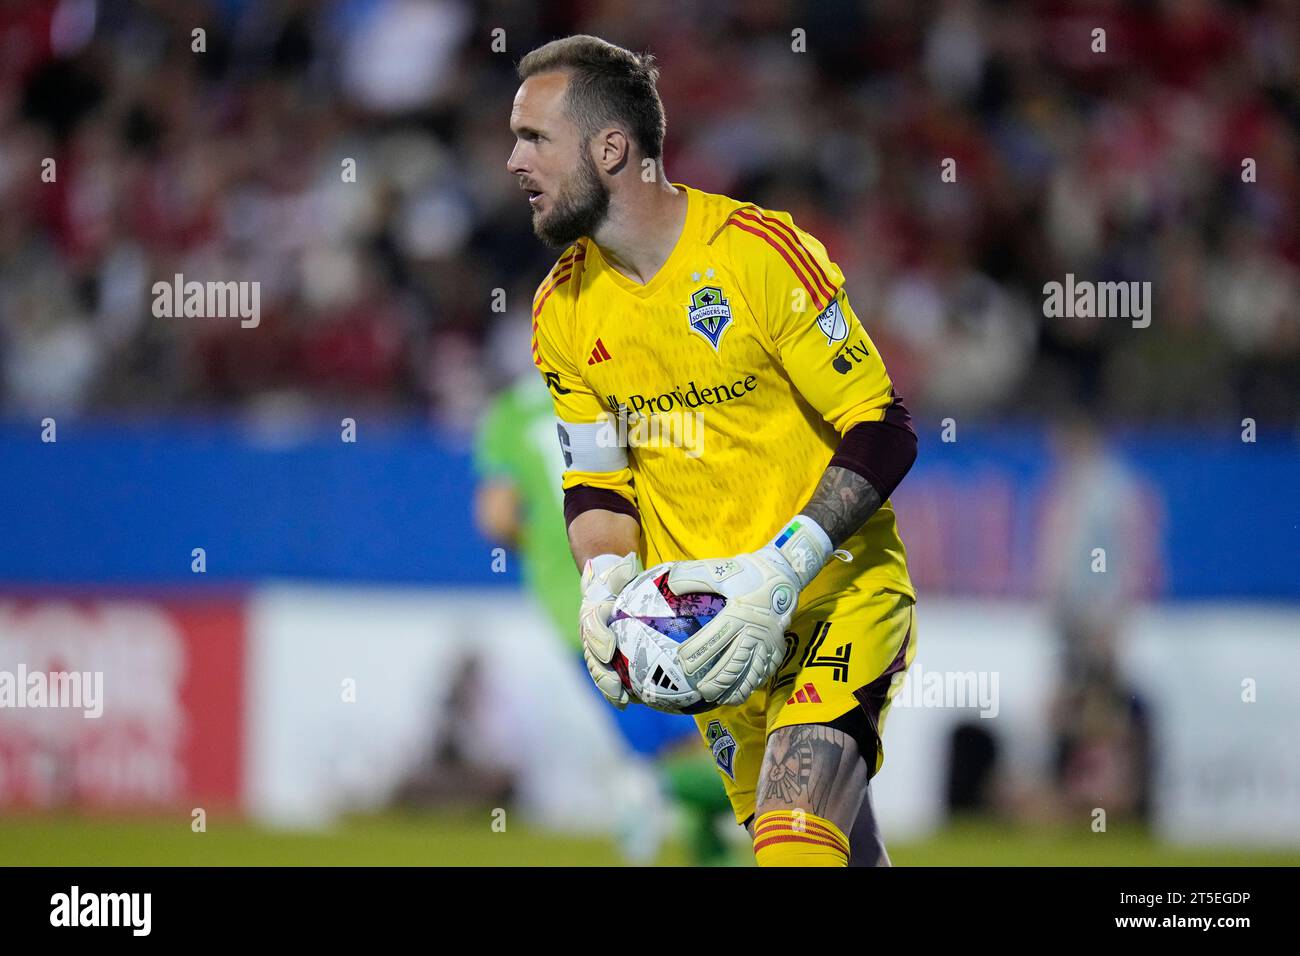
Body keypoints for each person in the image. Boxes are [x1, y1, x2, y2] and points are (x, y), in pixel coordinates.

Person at [509, 35, 918, 866]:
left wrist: (781, 569)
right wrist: (603, 584)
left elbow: (882, 425)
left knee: (793, 842)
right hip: (708, 643)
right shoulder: (561, 311)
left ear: (612, 148)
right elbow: (596, 484)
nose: (514, 162)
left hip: (830, 599)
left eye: (534, 139)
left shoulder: (754, 255)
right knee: (842, 853)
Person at [473, 368, 738, 864]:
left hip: (575, 602)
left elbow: (497, 517)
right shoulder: (617, 383)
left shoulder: (507, 415)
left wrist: (545, 549)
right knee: (704, 738)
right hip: (651, 587)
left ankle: (668, 808)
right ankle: (663, 797)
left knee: (667, 743)